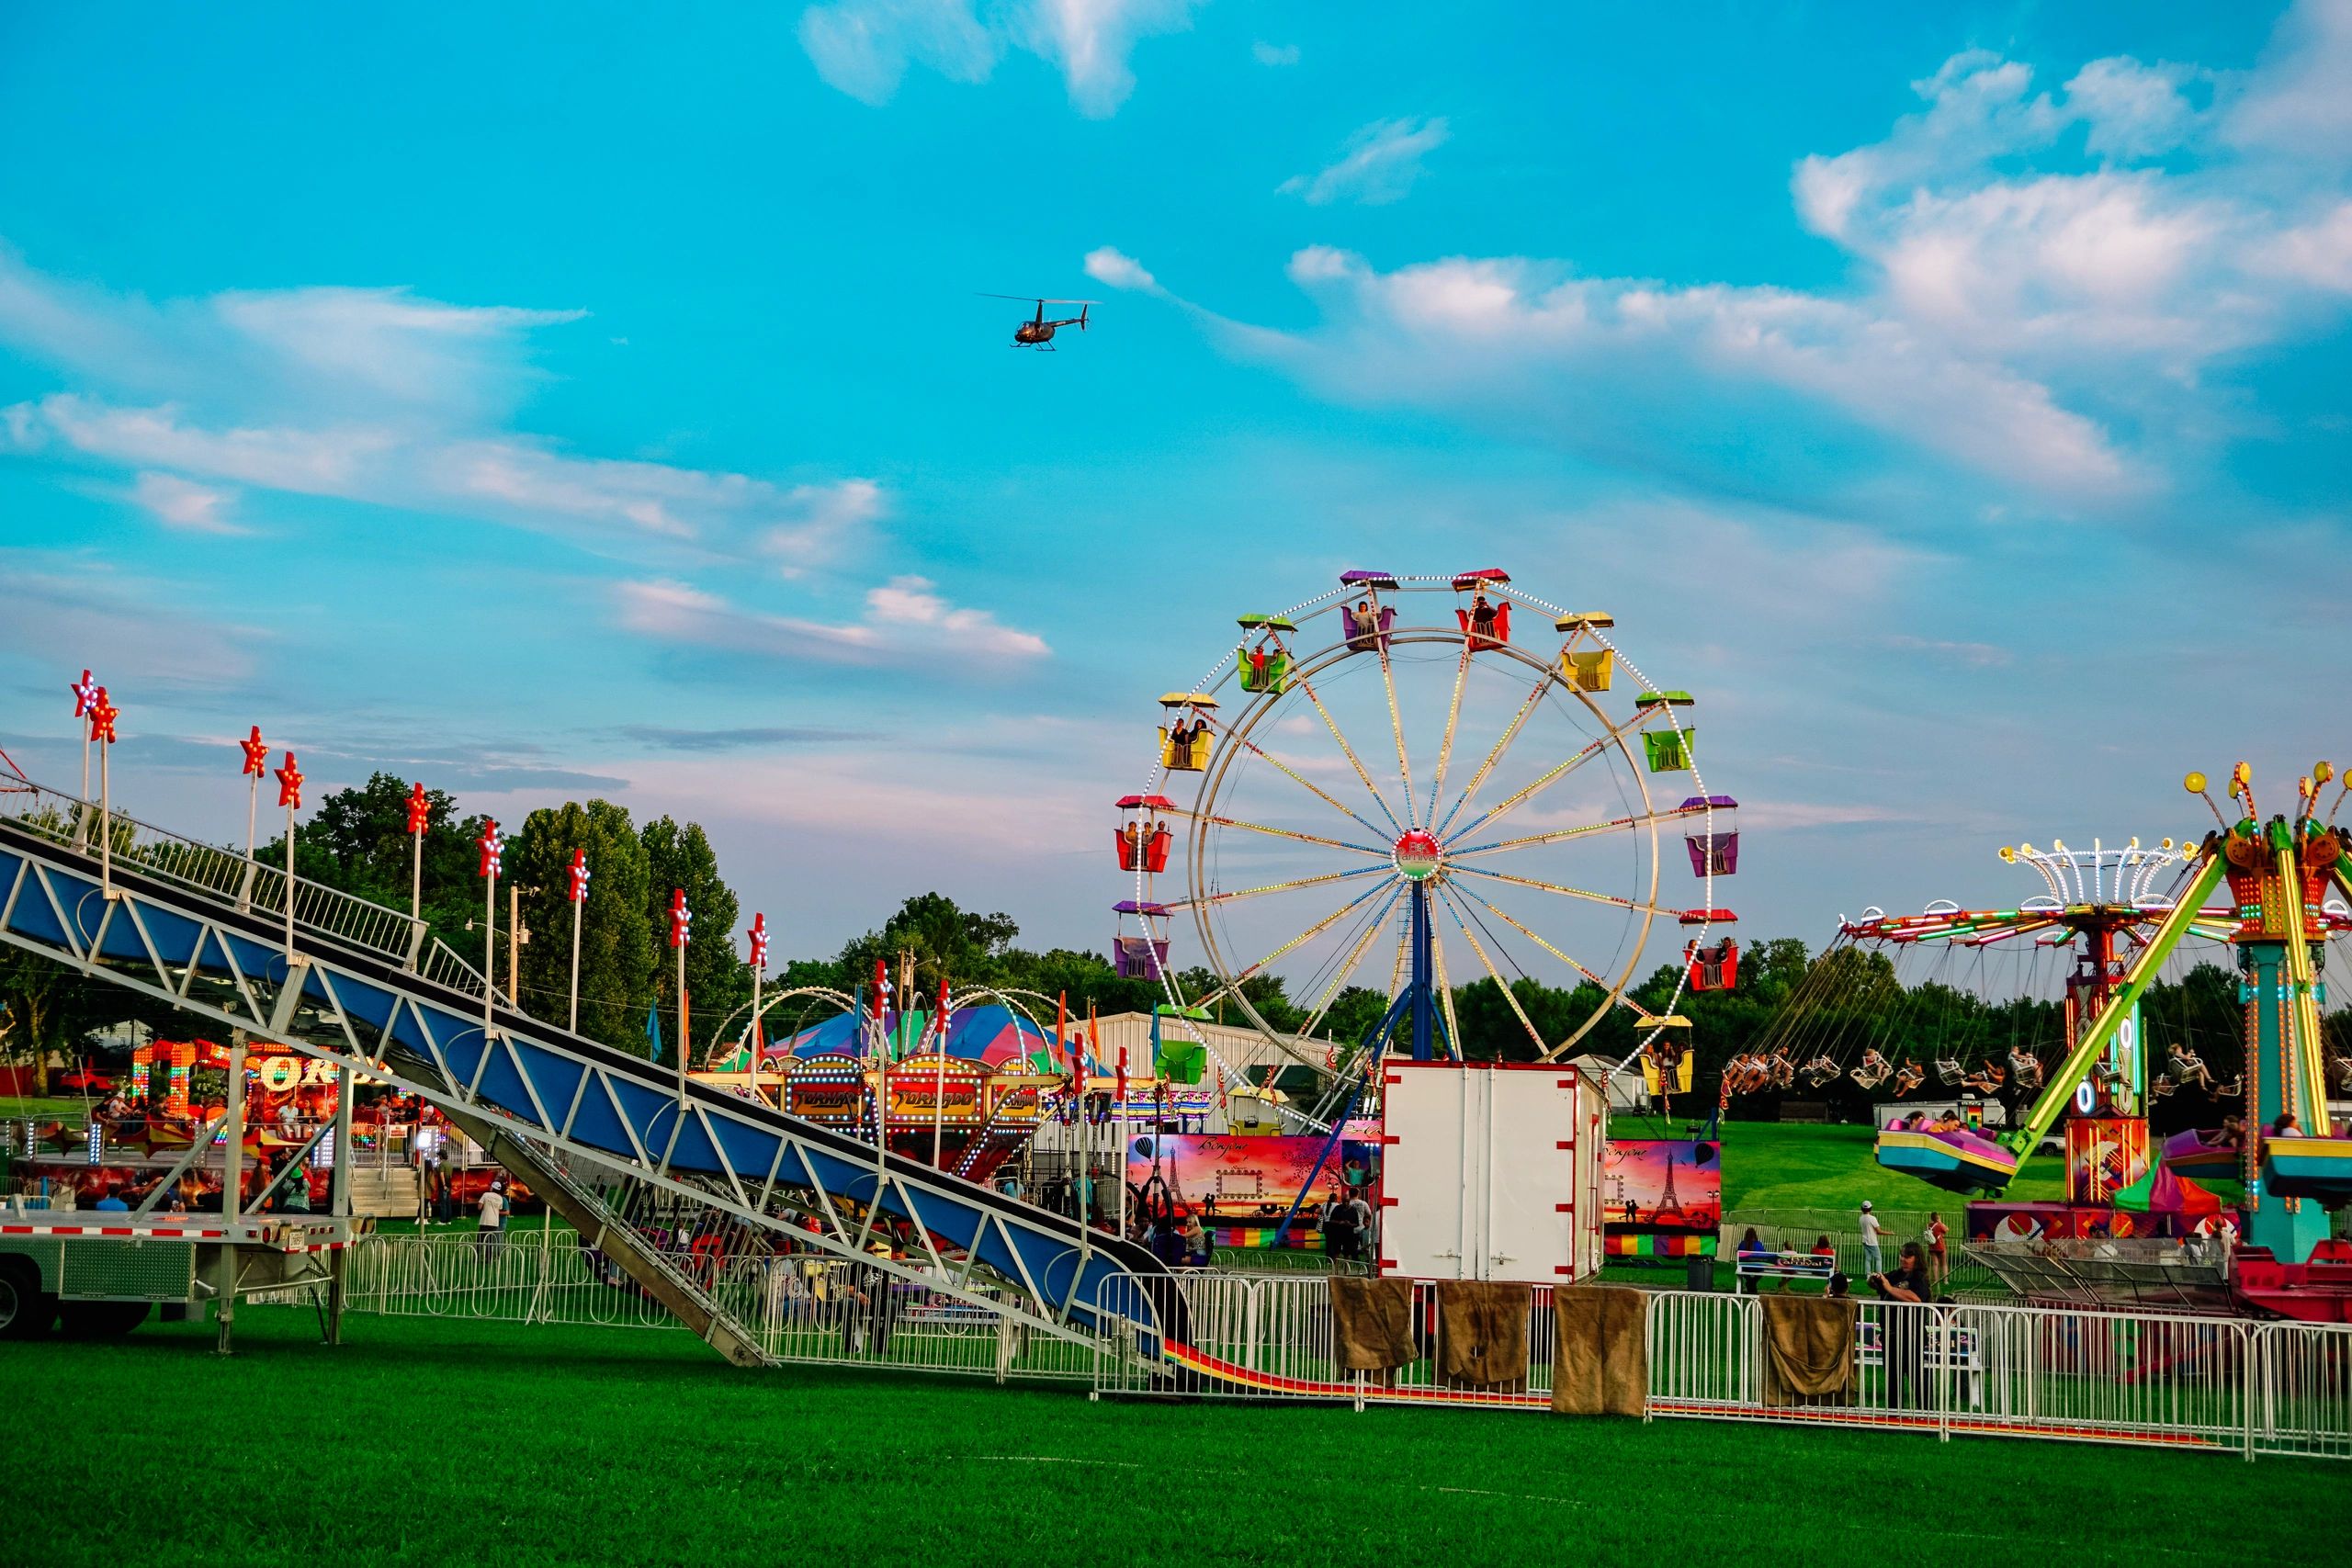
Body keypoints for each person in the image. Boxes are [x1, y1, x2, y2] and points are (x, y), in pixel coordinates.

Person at [1871, 1241, 1936, 1409]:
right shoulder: (1897, 1275)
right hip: (1891, 1334)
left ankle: (1926, 1413)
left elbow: (1916, 1298)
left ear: (1917, 1258)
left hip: (1911, 1335)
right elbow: (1881, 1284)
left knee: (1917, 1376)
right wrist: (1875, 1280)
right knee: (1892, 1377)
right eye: (1902, 1255)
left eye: (1908, 1256)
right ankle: (1894, 1414)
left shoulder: (1919, 1277)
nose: (1903, 1259)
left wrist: (1890, 1288)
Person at [476, 1178, 507, 1261]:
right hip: (495, 1222)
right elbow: (499, 1209)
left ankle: (477, 1257)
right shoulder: (500, 1198)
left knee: (480, 1240)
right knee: (490, 1241)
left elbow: (479, 1207)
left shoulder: (486, 1194)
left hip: (485, 1221)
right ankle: (488, 1258)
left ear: (492, 1188)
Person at [1735, 1226, 1769, 1294]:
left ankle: (1750, 1281)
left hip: (1745, 1268)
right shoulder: (1759, 1244)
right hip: (1757, 1268)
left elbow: (1738, 1254)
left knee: (1740, 1268)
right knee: (1762, 1270)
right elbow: (1764, 1255)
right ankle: (1752, 1282)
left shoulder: (1742, 1244)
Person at [1858, 1201, 1883, 1277]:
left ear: (1862, 1209)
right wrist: (1890, 1233)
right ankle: (1879, 1275)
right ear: (1870, 1208)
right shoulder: (1872, 1218)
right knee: (1878, 1258)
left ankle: (1868, 1275)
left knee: (1868, 1258)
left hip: (1865, 1240)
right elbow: (1879, 1231)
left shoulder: (1861, 1218)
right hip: (1872, 1241)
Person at [1925, 1212, 1949, 1284]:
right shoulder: (1940, 1225)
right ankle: (1945, 1280)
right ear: (1938, 1218)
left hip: (1932, 1246)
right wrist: (1941, 1222)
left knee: (1935, 1263)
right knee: (1944, 1264)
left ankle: (1936, 1280)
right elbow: (1946, 1230)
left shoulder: (1928, 1225)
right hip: (1940, 1246)